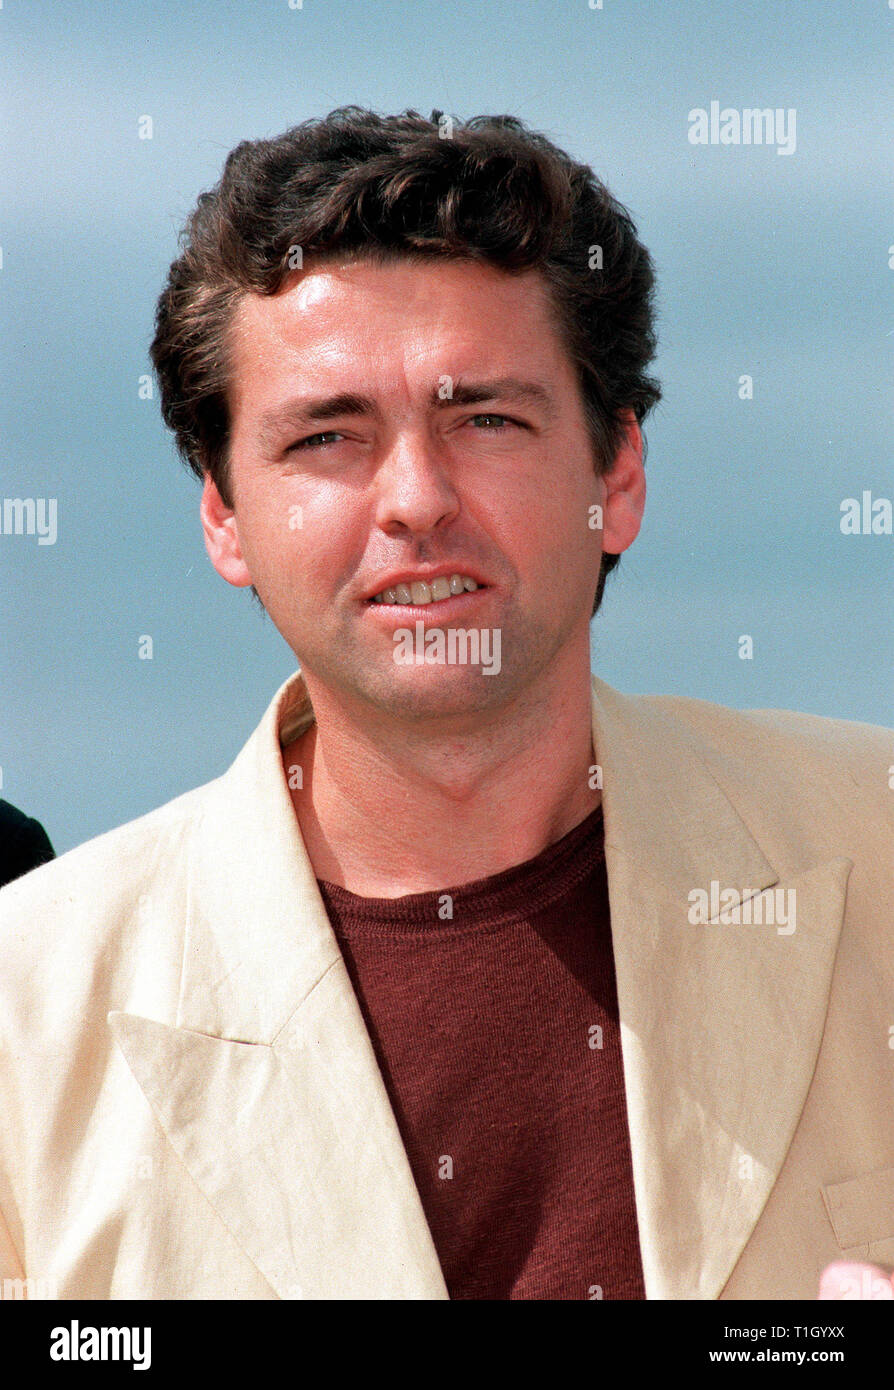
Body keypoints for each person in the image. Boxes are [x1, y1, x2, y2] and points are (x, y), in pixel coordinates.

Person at [0, 107, 891, 1302]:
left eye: (485, 419)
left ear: (616, 477)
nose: (416, 497)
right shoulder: (28, 1010)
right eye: (328, 434)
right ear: (223, 514)